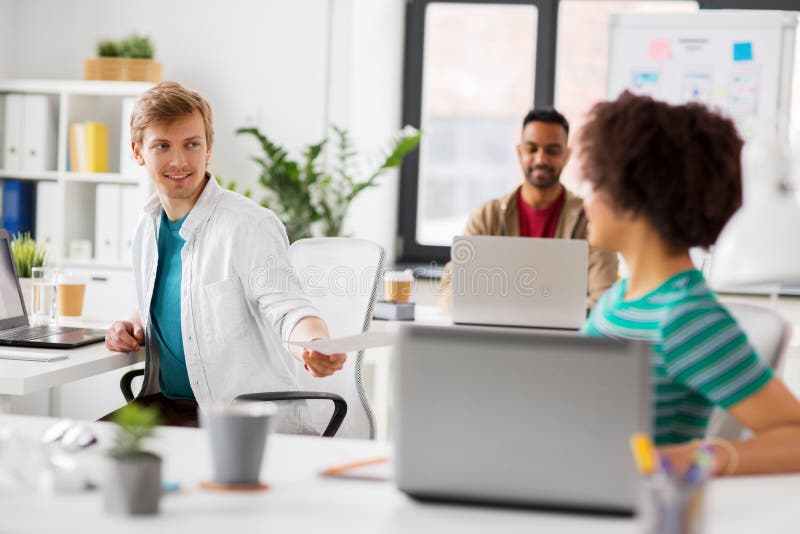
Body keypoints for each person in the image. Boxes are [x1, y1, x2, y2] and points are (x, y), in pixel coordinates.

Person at [579, 91, 800, 475]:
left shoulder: (685, 317)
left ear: (637, 194)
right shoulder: (618, 299)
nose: (587, 201)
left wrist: (701, 458)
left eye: (597, 184)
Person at [103, 81, 345, 432]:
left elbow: (290, 308)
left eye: (191, 144)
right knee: (80, 449)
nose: (178, 160)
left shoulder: (248, 226)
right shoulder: (147, 227)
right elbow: (182, 297)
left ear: (209, 148)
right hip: (166, 407)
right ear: (138, 152)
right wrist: (131, 323)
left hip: (237, 419)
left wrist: (314, 345)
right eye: (162, 146)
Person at [438, 108, 618, 310]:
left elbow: (603, 300)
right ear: (519, 152)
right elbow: (450, 292)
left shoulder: (591, 220)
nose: (541, 159)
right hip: (497, 338)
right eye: (532, 148)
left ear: (567, 155)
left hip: (565, 340)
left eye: (552, 150)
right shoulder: (487, 217)